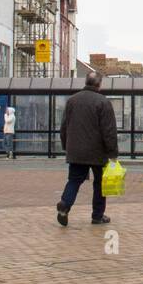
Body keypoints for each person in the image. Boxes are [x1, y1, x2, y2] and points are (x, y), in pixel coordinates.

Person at [56, 71, 119, 227]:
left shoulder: (72, 101)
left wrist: (66, 146)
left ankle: (65, 204)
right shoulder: (103, 102)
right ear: (99, 84)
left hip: (76, 150)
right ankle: (97, 215)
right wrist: (113, 153)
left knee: (74, 181)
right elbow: (109, 131)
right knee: (100, 184)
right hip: (98, 152)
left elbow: (64, 127)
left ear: (86, 81)